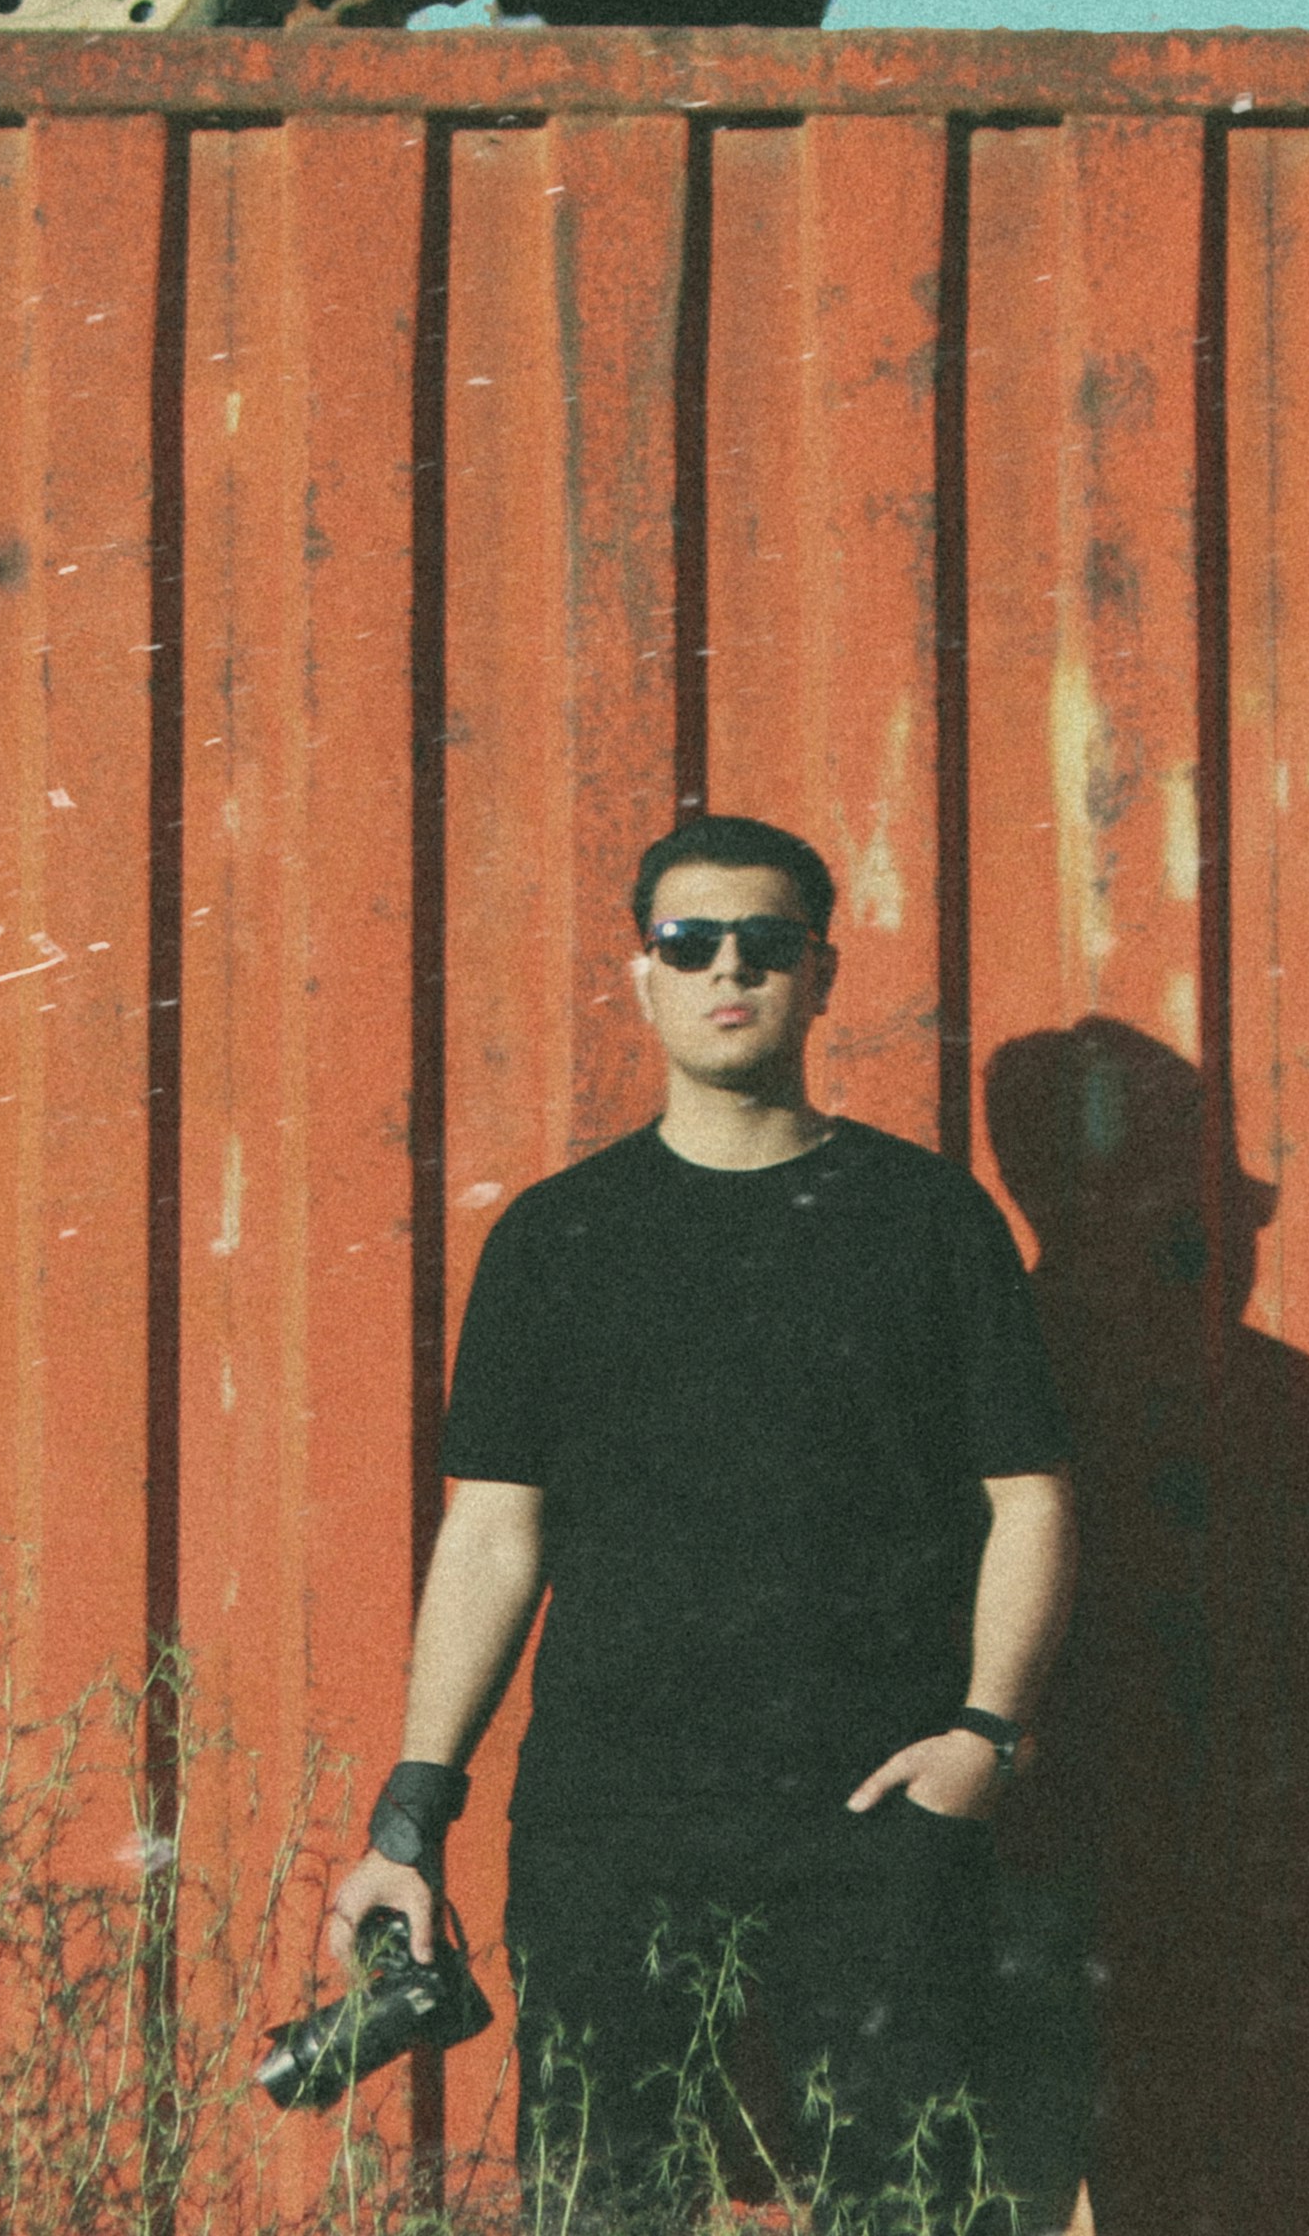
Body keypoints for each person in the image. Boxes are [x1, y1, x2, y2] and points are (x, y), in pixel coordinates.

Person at [324, 812, 1075, 2226]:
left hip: (873, 1819)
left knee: (907, 2203)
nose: (728, 968)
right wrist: (412, 1816)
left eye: (765, 944)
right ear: (644, 976)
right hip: (612, 1829)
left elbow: (1031, 1501)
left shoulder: (927, 1223)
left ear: (823, 974)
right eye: (690, 942)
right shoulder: (556, 1241)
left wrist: (982, 1738)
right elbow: (492, 1537)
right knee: (607, 2202)